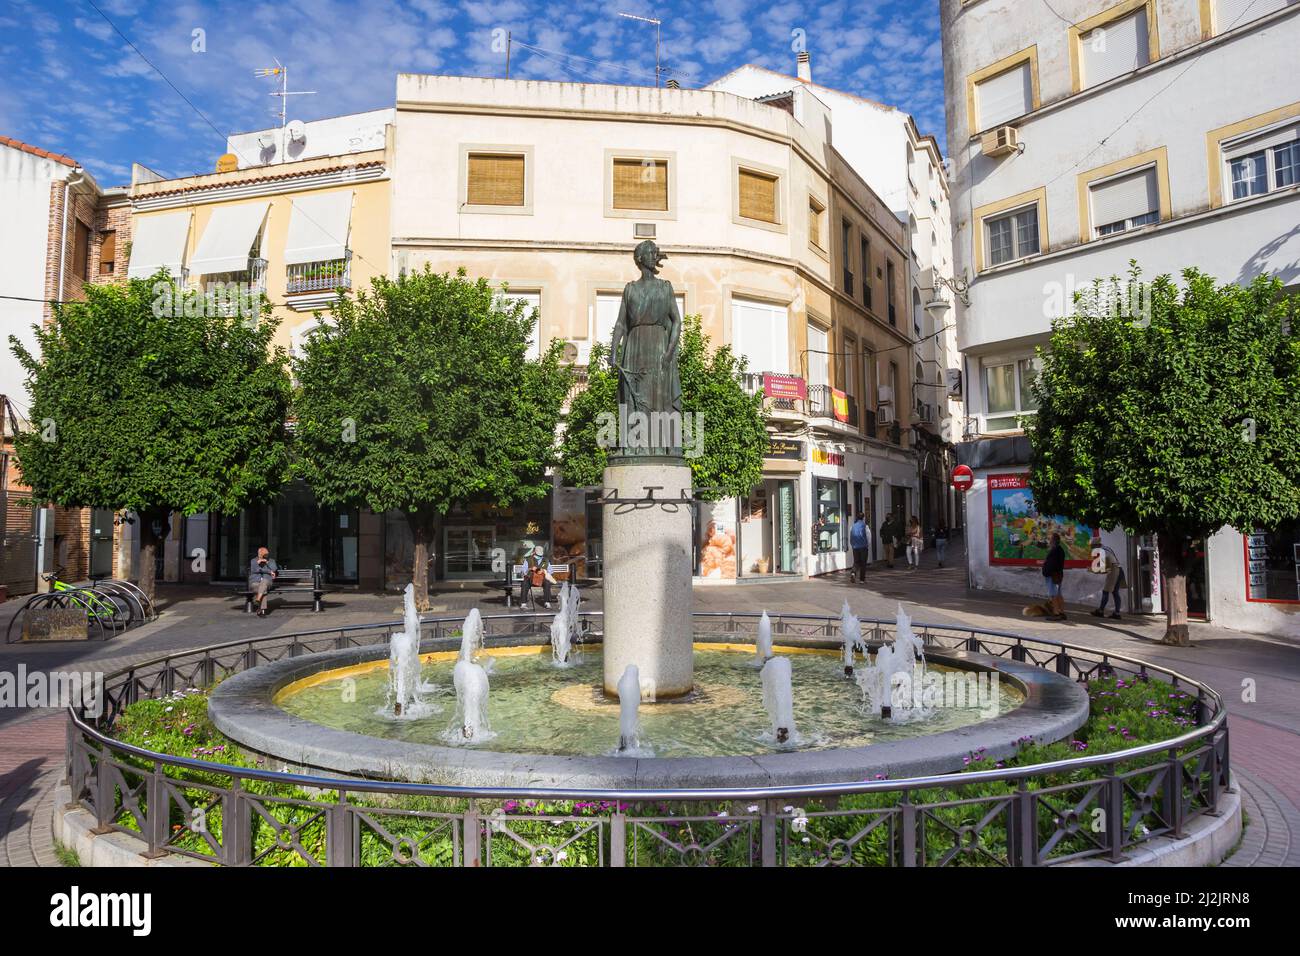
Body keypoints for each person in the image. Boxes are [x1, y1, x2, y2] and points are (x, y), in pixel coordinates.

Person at [1090, 535, 1126, 620]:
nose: (1092, 549)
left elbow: (1103, 568)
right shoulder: (1107, 548)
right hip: (1119, 569)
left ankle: (1100, 611)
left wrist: (1093, 570)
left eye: (1093, 547)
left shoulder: (1102, 551)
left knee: (1105, 591)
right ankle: (1117, 613)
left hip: (1114, 570)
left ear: (1097, 545)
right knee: (1115, 592)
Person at [520, 544, 556, 609]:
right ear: (534, 553)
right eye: (537, 555)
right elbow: (523, 571)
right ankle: (523, 603)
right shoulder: (528, 559)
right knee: (524, 583)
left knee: (547, 583)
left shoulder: (545, 560)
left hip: (541, 579)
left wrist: (544, 571)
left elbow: (551, 571)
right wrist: (530, 569)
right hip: (530, 579)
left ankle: (547, 602)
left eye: (540, 555)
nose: (539, 556)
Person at [1041, 532, 1067, 620]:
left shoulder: (1055, 550)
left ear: (1053, 541)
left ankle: (1056, 613)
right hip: (1058, 575)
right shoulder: (1060, 549)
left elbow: (1052, 564)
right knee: (1058, 594)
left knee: (1053, 594)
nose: (1049, 541)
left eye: (1050, 539)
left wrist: (1046, 571)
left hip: (1053, 575)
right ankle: (1061, 612)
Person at [248, 547, 278, 617]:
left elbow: (274, 569)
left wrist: (266, 562)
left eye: (267, 553)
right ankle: (261, 611)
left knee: (264, 582)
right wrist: (268, 571)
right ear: (260, 553)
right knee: (263, 590)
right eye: (265, 553)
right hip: (255, 582)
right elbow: (255, 570)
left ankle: (258, 600)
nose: (266, 555)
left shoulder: (271, 561)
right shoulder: (253, 561)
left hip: (267, 581)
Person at [849, 513, 870, 583]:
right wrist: (867, 544)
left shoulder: (853, 526)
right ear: (863, 518)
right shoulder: (865, 526)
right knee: (863, 563)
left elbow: (851, 536)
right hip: (863, 547)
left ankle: (853, 573)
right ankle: (862, 580)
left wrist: (852, 544)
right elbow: (868, 537)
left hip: (855, 547)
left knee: (856, 562)